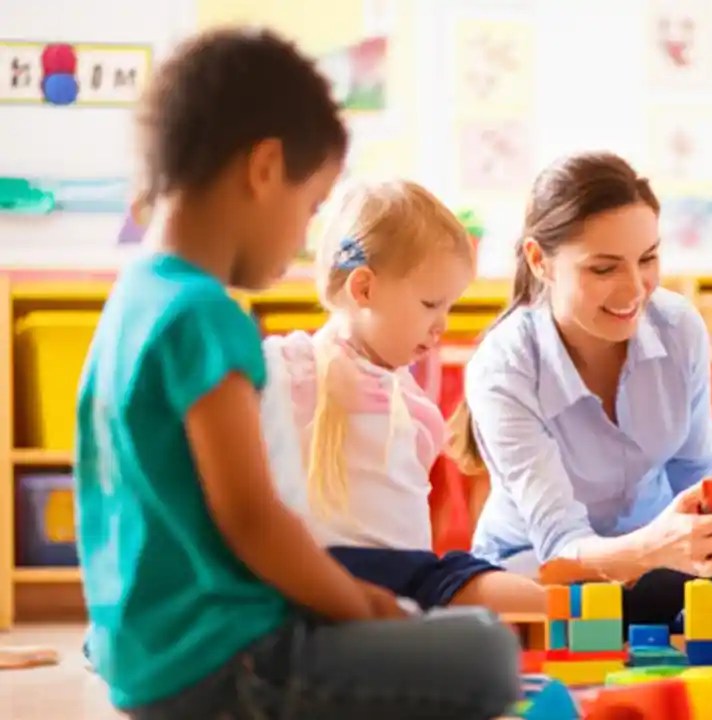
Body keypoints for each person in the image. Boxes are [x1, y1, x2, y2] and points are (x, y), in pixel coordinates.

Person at [74, 28, 517, 720]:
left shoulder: (133, 300)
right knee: (486, 653)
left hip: (153, 661)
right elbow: (252, 518)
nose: (307, 235)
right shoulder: (203, 316)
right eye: (310, 207)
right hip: (228, 662)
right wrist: (361, 605)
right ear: (264, 168)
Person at [448, 151, 712, 627]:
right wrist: (656, 550)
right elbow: (559, 547)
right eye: (603, 269)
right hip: (536, 577)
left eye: (648, 259)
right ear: (539, 260)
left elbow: (695, 475)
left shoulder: (678, 329)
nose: (634, 289)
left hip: (661, 571)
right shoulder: (504, 366)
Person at [260, 178, 545, 615]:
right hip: (315, 570)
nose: (442, 325)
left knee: (473, 578)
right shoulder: (288, 366)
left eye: (448, 308)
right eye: (431, 304)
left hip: (409, 574)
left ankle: (587, 605)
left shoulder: (414, 407)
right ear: (364, 289)